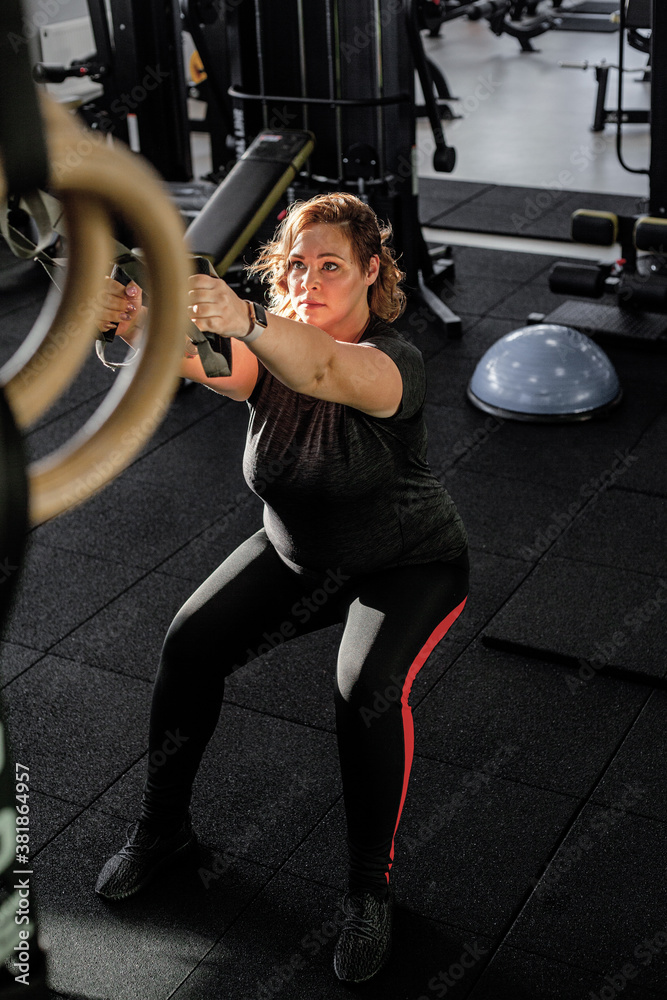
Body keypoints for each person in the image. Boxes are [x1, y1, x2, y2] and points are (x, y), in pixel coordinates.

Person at [94, 192, 469, 984]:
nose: (309, 279)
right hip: (300, 558)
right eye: (295, 264)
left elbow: (325, 366)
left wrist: (247, 318)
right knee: (189, 647)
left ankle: (369, 892)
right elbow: (193, 359)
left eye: (331, 265)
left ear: (372, 273)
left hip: (406, 564)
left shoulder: (390, 360)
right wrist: (120, 317)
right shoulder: (261, 353)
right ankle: (163, 830)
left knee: (363, 688)